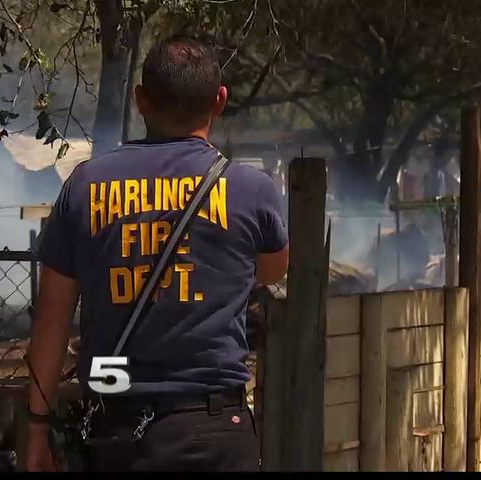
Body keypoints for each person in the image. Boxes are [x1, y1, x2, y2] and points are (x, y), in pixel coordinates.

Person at [25, 36, 289, 472]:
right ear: (220, 101)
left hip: (116, 431)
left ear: (140, 100)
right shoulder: (251, 190)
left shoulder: (85, 186)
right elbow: (273, 270)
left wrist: (37, 429)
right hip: (215, 429)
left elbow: (51, 320)